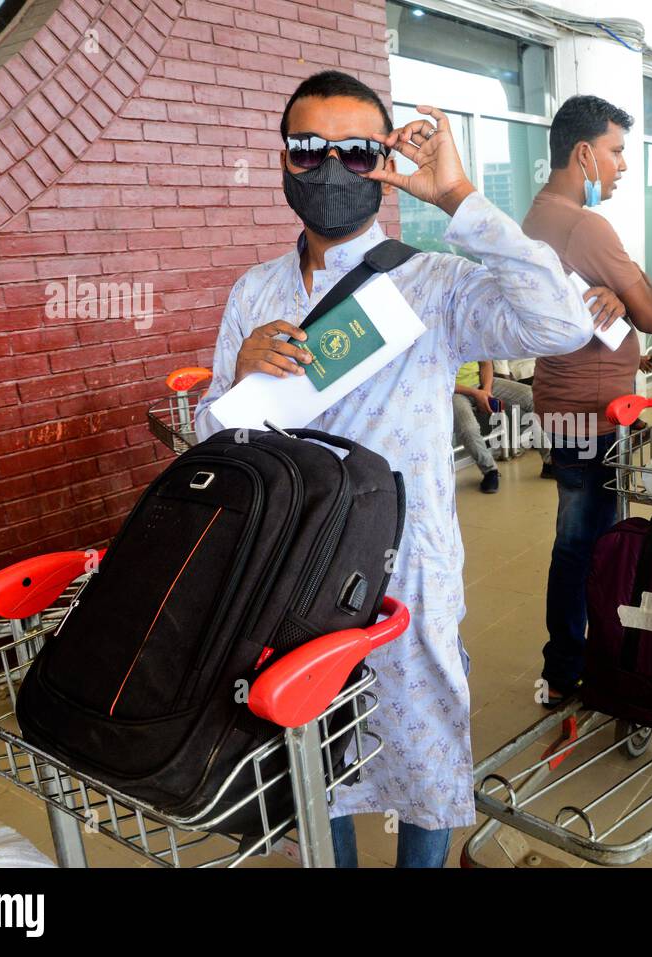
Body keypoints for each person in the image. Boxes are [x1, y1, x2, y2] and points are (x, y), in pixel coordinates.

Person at [194, 70, 592, 866]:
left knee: (425, 752)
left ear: (384, 162)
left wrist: (459, 199)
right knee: (304, 753)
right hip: (284, 578)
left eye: (357, 151)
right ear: (283, 161)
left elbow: (562, 320)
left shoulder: (434, 284)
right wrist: (239, 382)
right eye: (309, 151)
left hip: (403, 578)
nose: (332, 168)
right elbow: (213, 442)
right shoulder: (254, 291)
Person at [522, 94, 652, 704]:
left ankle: (565, 663)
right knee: (590, 541)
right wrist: (626, 293)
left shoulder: (535, 218)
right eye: (616, 151)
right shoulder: (586, 225)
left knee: (574, 536)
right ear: (584, 153)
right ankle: (572, 666)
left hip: (559, 403)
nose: (622, 165)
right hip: (599, 414)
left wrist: (615, 294)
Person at [452, 360, 537, 493]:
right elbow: (438, 381)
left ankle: (550, 460)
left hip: (483, 384)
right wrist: (476, 394)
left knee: (533, 397)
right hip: (453, 391)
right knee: (468, 428)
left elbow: (486, 363)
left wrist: (485, 391)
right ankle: (489, 471)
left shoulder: (473, 338)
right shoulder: (433, 344)